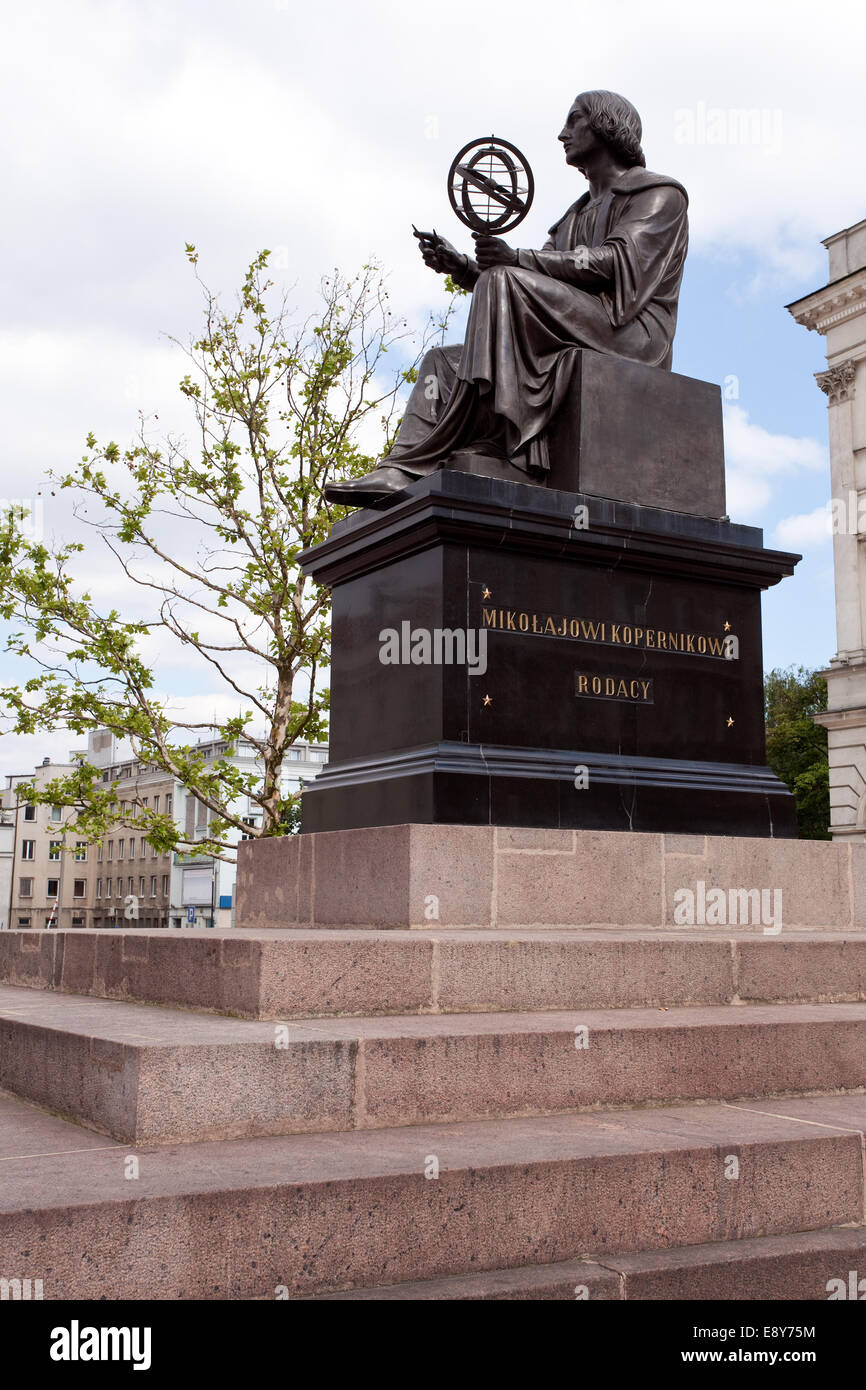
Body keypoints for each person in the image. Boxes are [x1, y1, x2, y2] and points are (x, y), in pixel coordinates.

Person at [325, 89, 688, 506]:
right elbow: (535, 280)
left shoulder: (659, 194)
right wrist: (462, 266)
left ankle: (502, 451)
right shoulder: (572, 217)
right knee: (442, 363)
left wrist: (514, 258)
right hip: (581, 327)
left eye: (574, 121)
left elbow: (614, 262)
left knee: (504, 281)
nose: (561, 134)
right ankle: (402, 467)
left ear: (606, 125)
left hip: (630, 333)